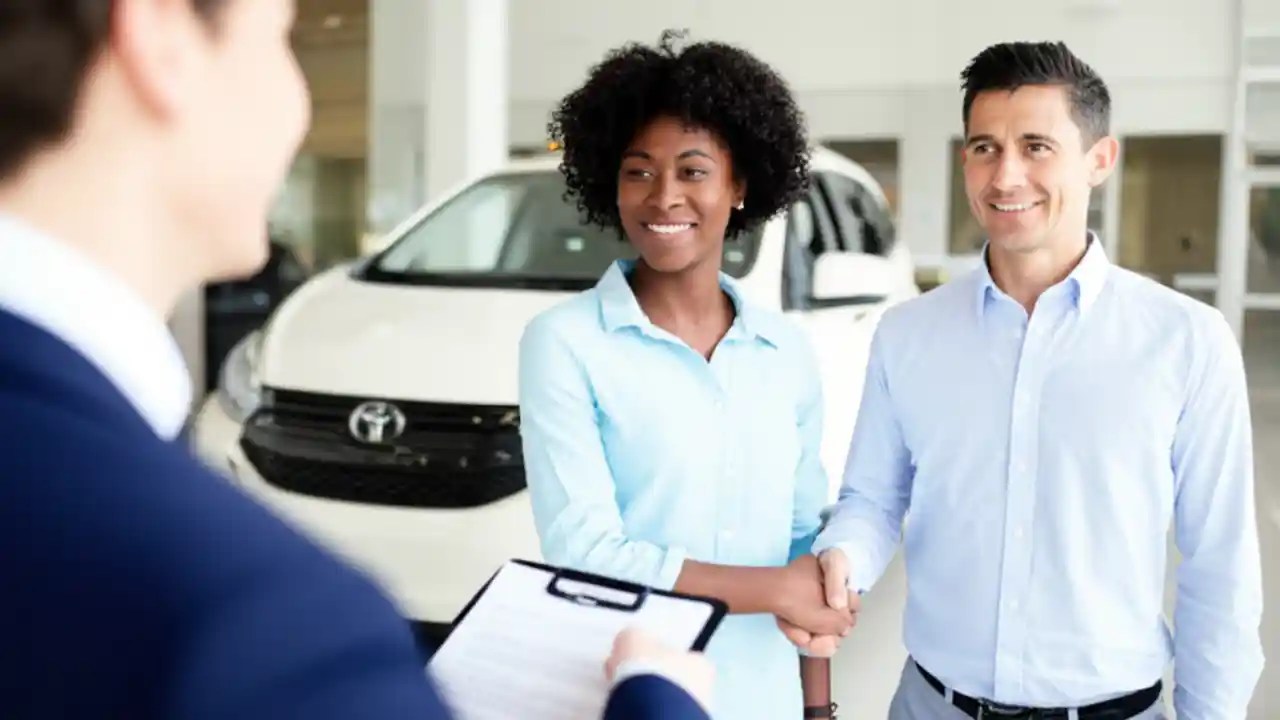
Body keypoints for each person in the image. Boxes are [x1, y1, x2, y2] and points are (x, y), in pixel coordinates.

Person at [0, 2, 715, 718]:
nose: (298, 104)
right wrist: (660, 702)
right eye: (282, 37)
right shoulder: (264, 633)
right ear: (162, 36)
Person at [813, 41, 1264, 719]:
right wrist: (843, 557)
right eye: (985, 148)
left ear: (1099, 160)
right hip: (933, 706)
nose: (1005, 176)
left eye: (1035, 146)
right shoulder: (908, 335)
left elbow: (1221, 567)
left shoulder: (1186, 342)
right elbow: (874, 499)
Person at [518, 30, 856, 720]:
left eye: (693, 171)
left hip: (764, 701)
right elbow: (586, 553)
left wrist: (819, 709)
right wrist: (777, 590)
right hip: (632, 695)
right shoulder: (564, 343)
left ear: (738, 186)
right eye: (638, 170)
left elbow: (803, 544)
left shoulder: (784, 350)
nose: (663, 196)